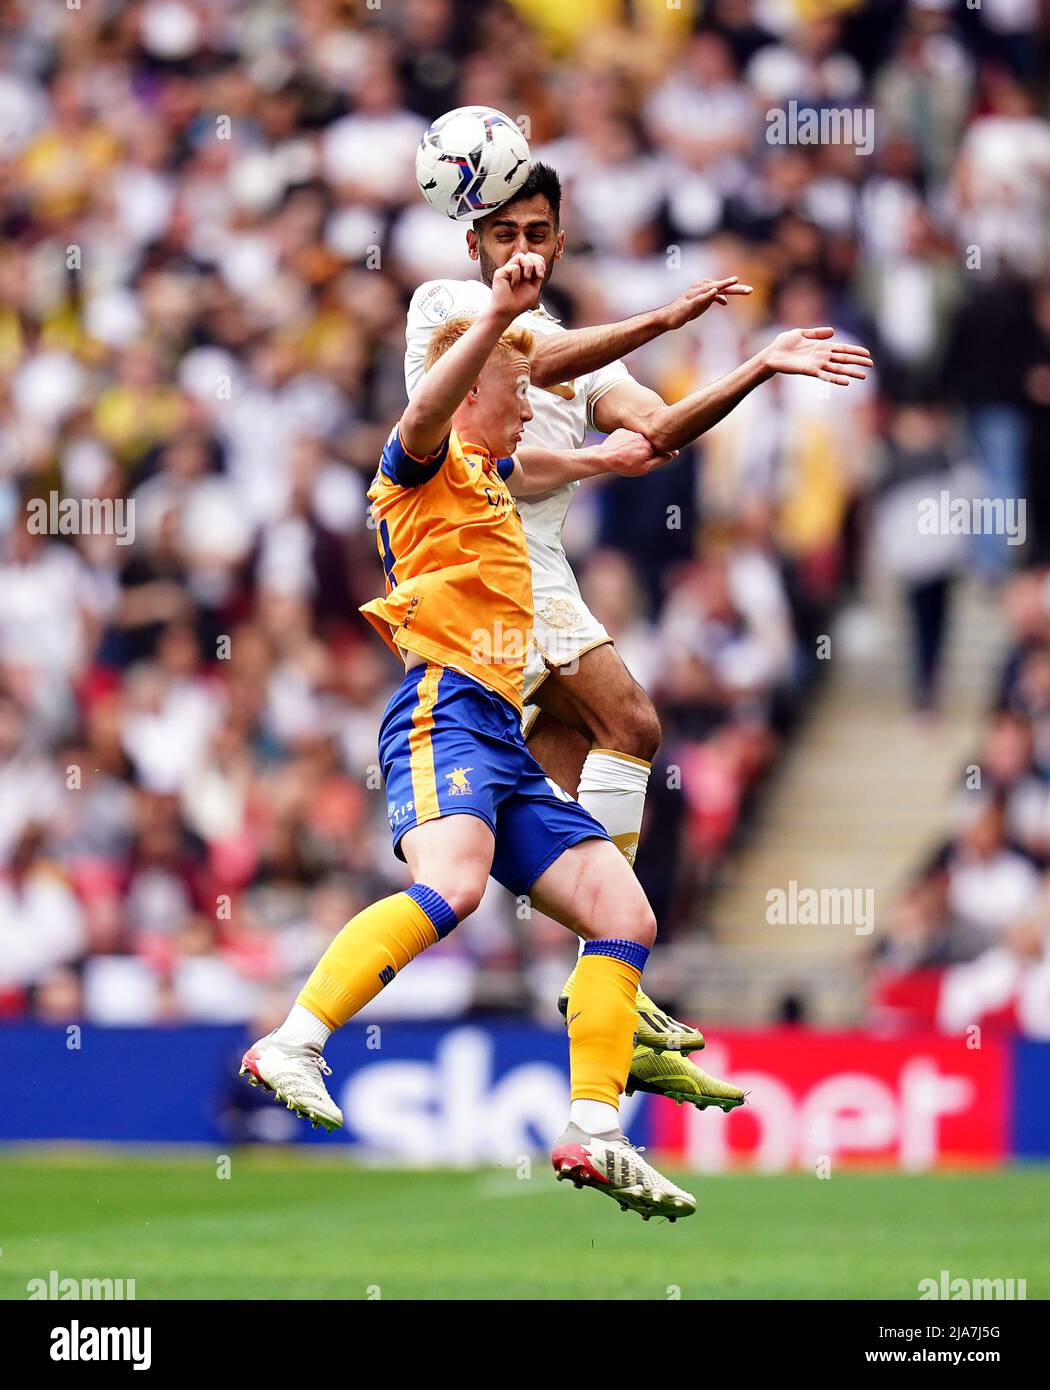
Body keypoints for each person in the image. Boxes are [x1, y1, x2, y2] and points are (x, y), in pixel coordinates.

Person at [404, 162, 873, 1104]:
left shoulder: (587, 358)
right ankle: (599, 969)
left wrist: (755, 365)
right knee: (637, 722)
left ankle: (604, 965)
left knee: (579, 756)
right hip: (482, 566)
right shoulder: (450, 308)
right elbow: (530, 378)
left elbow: (658, 431)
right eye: (505, 234)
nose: (522, 251)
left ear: (562, 240)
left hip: (542, 576)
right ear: (474, 242)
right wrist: (666, 321)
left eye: (538, 233)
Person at [242, 251, 697, 1220]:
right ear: (472, 389)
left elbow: (528, 460)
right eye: (517, 392)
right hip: (442, 709)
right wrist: (495, 318)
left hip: (502, 729)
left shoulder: (492, 475)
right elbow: (421, 416)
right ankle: (295, 1037)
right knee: (449, 886)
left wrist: (598, 459)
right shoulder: (417, 465)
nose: (531, 407)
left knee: (627, 916)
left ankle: (596, 1131)